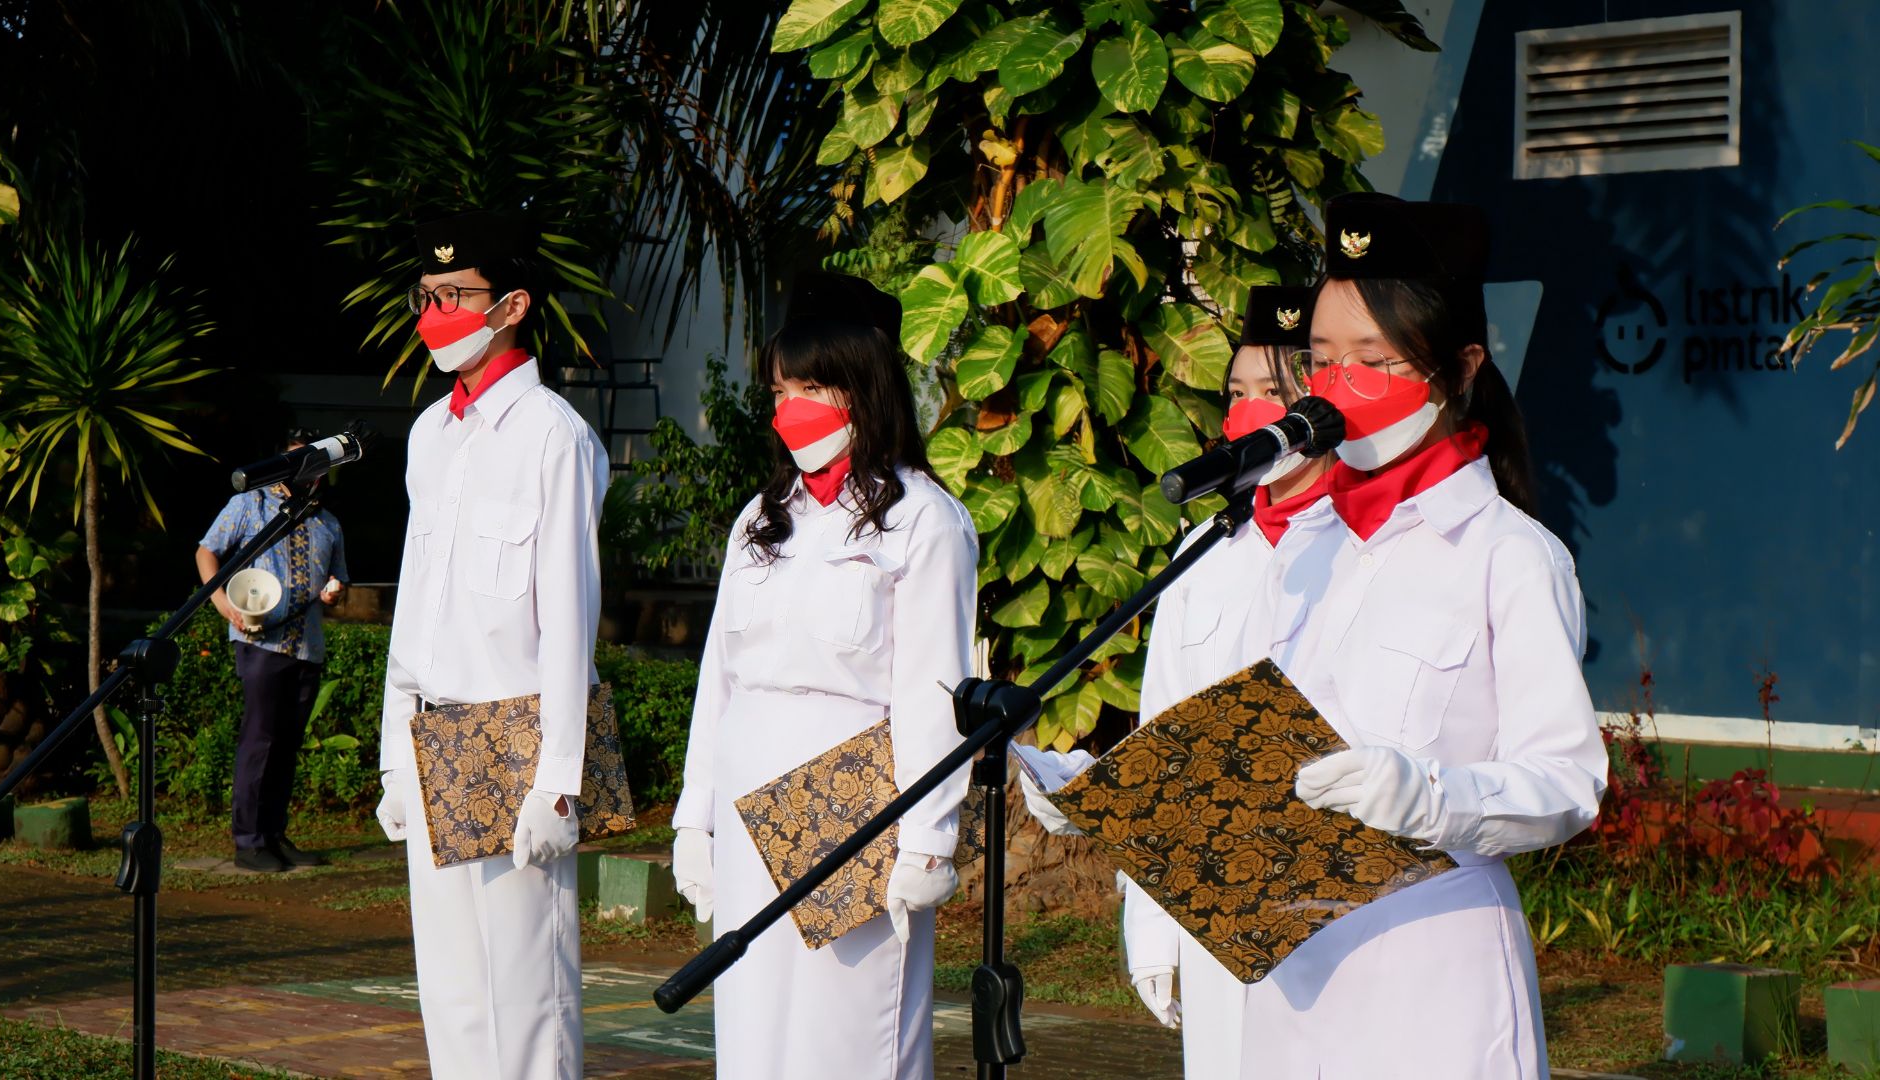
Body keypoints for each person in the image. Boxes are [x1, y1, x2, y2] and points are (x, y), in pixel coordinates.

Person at [1249, 194, 1608, 1077]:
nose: (1339, 385)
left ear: (1460, 367)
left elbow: (1569, 782)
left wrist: (1430, 796)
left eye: (1374, 359)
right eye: (1321, 359)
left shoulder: (1508, 555)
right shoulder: (1306, 544)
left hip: (1433, 968)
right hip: (1289, 966)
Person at [1018, 284, 1334, 1075]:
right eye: (1236, 392)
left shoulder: (1367, 547)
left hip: (1329, 899)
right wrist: (1154, 928)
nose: (1247, 412)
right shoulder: (1205, 551)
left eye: (1271, 392)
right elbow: (1165, 737)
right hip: (1213, 892)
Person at [669, 316, 978, 1080]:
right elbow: (720, 678)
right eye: (780, 391)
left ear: (863, 389)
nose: (791, 408)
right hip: (745, 790)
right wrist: (694, 815)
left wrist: (928, 836)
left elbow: (930, 691)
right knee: (754, 1025)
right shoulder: (763, 517)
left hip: (851, 795)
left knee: (846, 1031)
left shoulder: (922, 518)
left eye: (811, 387)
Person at [371, 209, 607, 1080]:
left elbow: (570, 620)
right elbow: (415, 604)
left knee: (527, 993)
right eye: (426, 296)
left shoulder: (555, 435)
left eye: (455, 295)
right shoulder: (430, 434)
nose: (436, 314)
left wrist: (558, 780)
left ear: (511, 306)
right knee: (453, 991)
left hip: (514, 737)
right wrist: (395, 754)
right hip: (434, 731)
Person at [197, 429, 347, 873]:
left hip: (307, 647)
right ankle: (248, 842)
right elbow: (206, 551)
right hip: (259, 642)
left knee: (287, 744)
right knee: (260, 740)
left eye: (315, 464)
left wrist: (335, 591)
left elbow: (338, 579)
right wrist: (221, 602)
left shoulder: (328, 522)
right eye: (297, 461)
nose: (306, 471)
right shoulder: (252, 504)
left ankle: (274, 835)